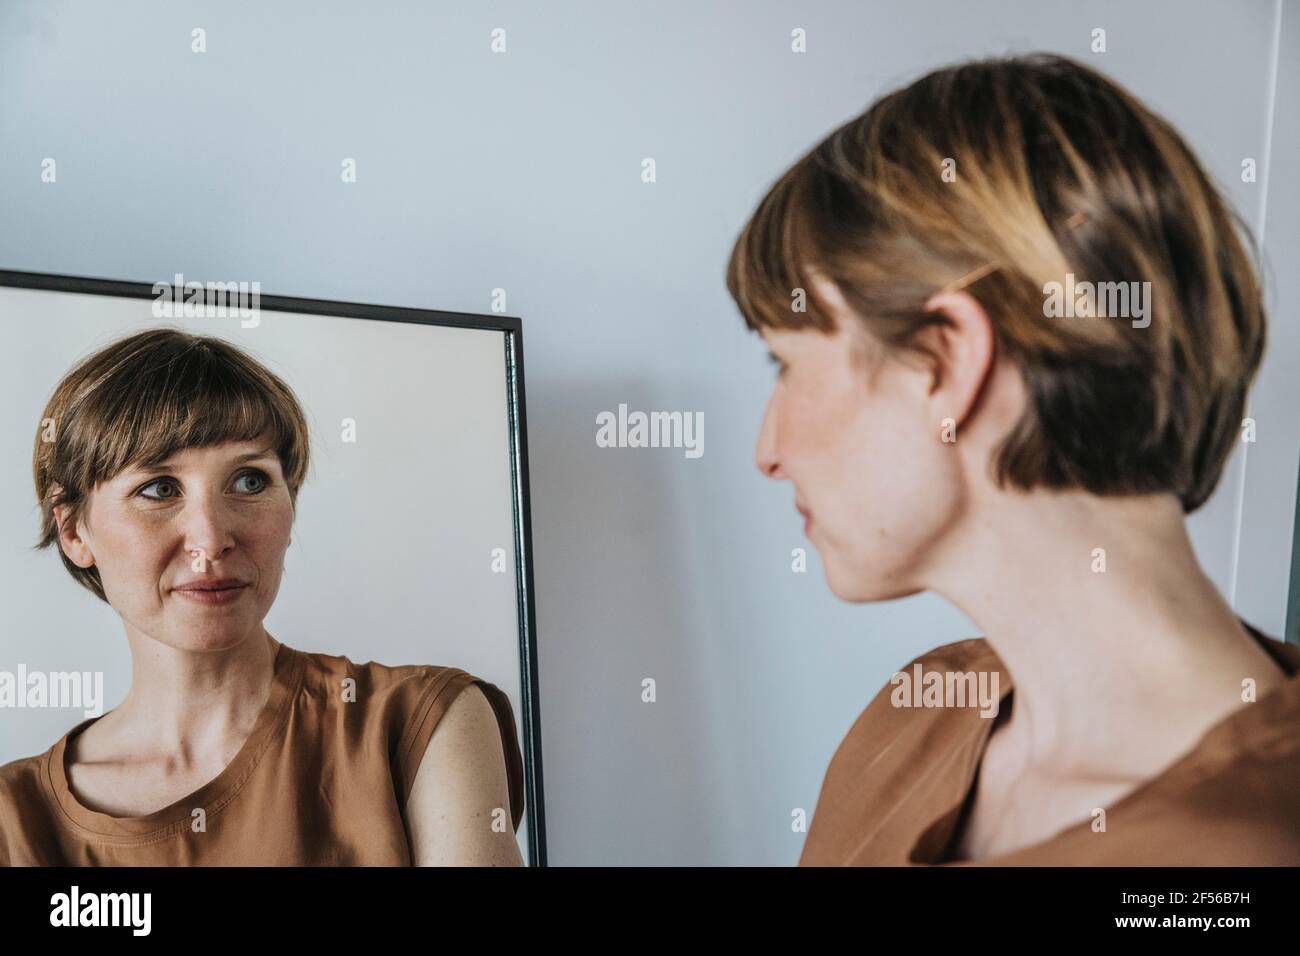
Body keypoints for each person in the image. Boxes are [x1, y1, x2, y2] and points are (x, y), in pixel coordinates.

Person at [726, 52, 1300, 865]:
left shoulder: (1243, 853)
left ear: (947, 360)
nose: (767, 451)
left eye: (787, 363)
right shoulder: (913, 719)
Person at [0, 327, 524, 865]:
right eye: (158, 489)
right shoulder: (14, 819)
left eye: (249, 481)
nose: (211, 540)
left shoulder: (421, 722)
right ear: (73, 532)